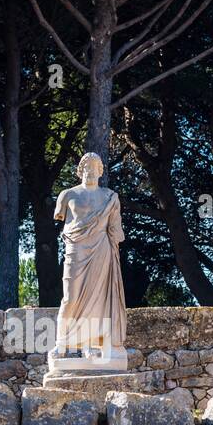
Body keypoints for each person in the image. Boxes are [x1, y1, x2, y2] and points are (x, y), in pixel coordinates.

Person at [53, 152, 127, 358]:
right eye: (87, 167)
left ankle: (90, 345)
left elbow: (115, 230)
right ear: (80, 170)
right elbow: (62, 222)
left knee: (97, 299)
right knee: (71, 297)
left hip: (101, 250)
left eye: (96, 167)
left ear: (101, 171)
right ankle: (61, 343)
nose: (91, 171)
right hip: (76, 249)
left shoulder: (110, 197)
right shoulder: (68, 195)